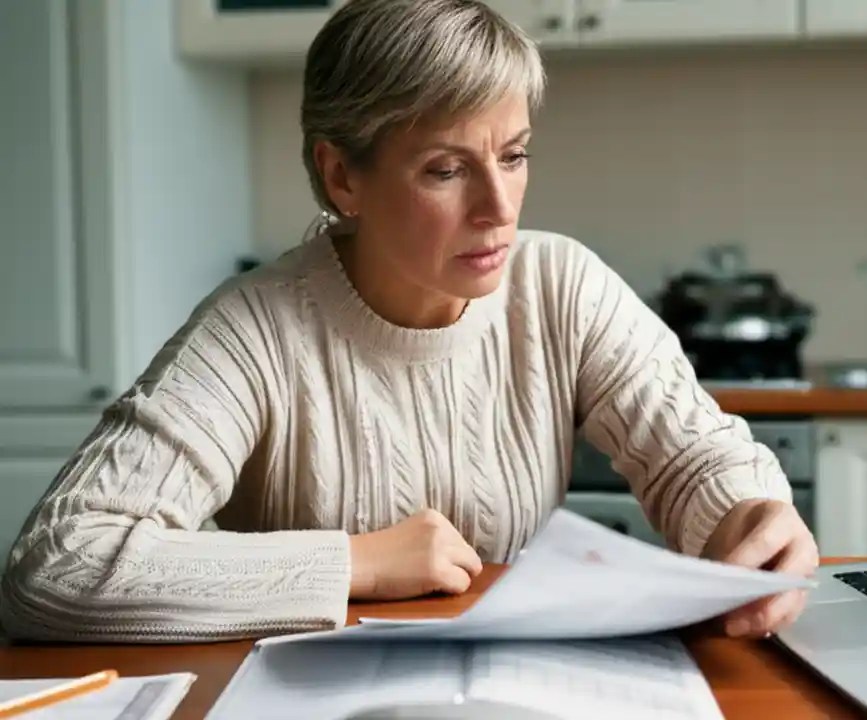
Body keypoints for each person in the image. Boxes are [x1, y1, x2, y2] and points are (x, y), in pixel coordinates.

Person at [0, 0, 817, 643]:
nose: (498, 208)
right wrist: (351, 563)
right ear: (341, 177)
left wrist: (750, 515)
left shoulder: (562, 284)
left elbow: (697, 458)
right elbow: (55, 565)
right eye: (444, 169)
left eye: (515, 155)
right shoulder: (256, 329)